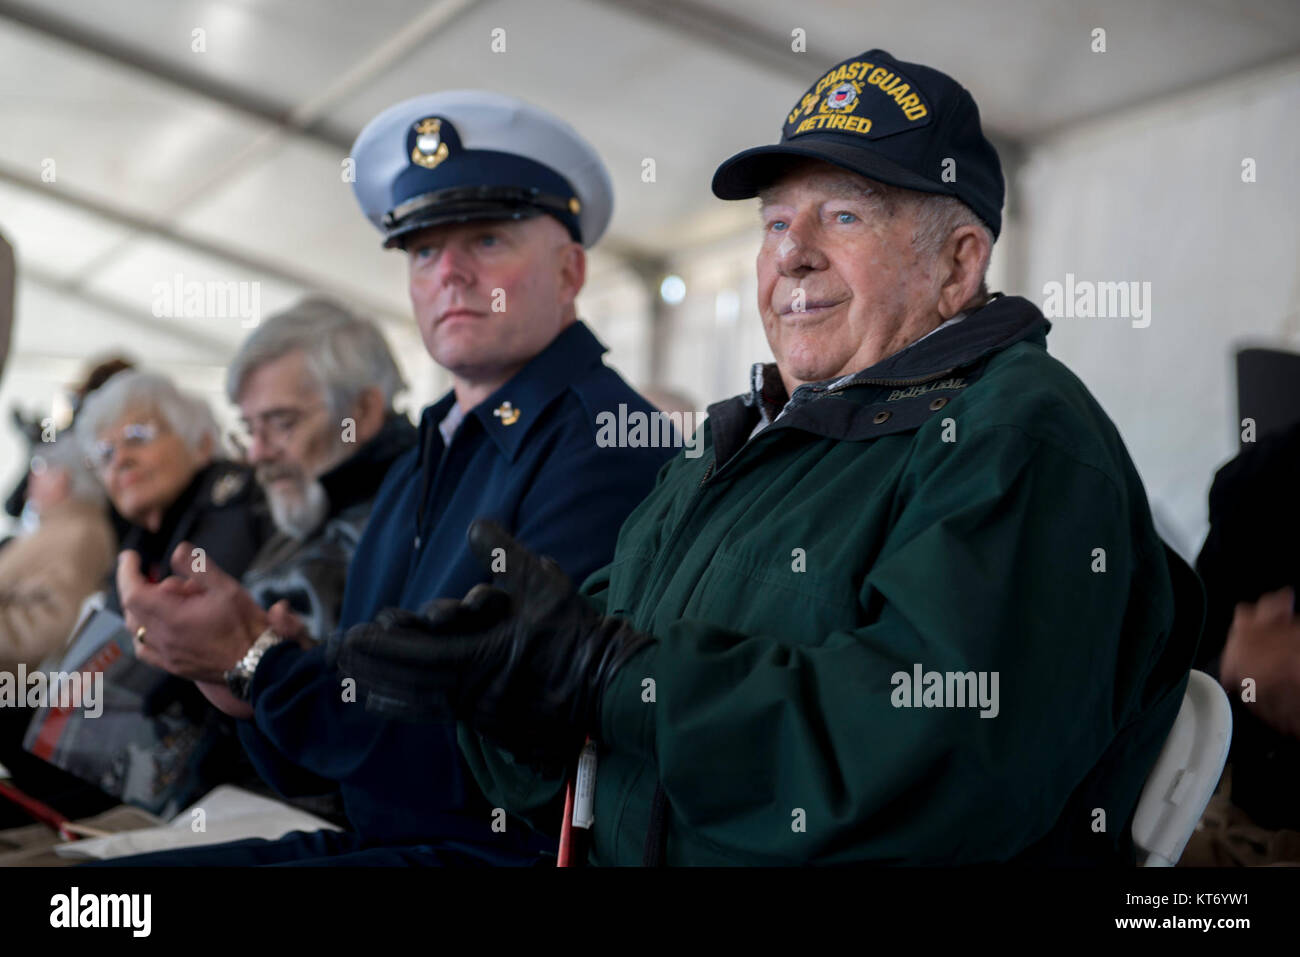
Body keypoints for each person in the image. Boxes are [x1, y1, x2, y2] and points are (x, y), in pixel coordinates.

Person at [341, 49, 1204, 866]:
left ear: (958, 262)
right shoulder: (738, 446)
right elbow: (569, 754)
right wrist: (511, 695)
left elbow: (932, 763)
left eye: (844, 215)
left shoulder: (1015, 434)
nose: (792, 252)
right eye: (777, 221)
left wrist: (612, 676)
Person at [103, 91, 674, 866]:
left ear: (569, 270)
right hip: (388, 837)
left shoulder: (607, 445)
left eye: (486, 239)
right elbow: (345, 766)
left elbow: (502, 770)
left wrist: (262, 666)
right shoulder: (429, 454)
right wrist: (246, 679)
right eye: (423, 252)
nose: (450, 274)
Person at [230, 297, 417, 641]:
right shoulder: (316, 500)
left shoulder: (406, 516)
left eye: (282, 423)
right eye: (249, 429)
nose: (257, 452)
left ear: (361, 411)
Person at [0, 437, 115, 674]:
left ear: (62, 478)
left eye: (39, 468)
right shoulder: (59, 526)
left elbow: (53, 627)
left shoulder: (79, 534)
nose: (31, 477)